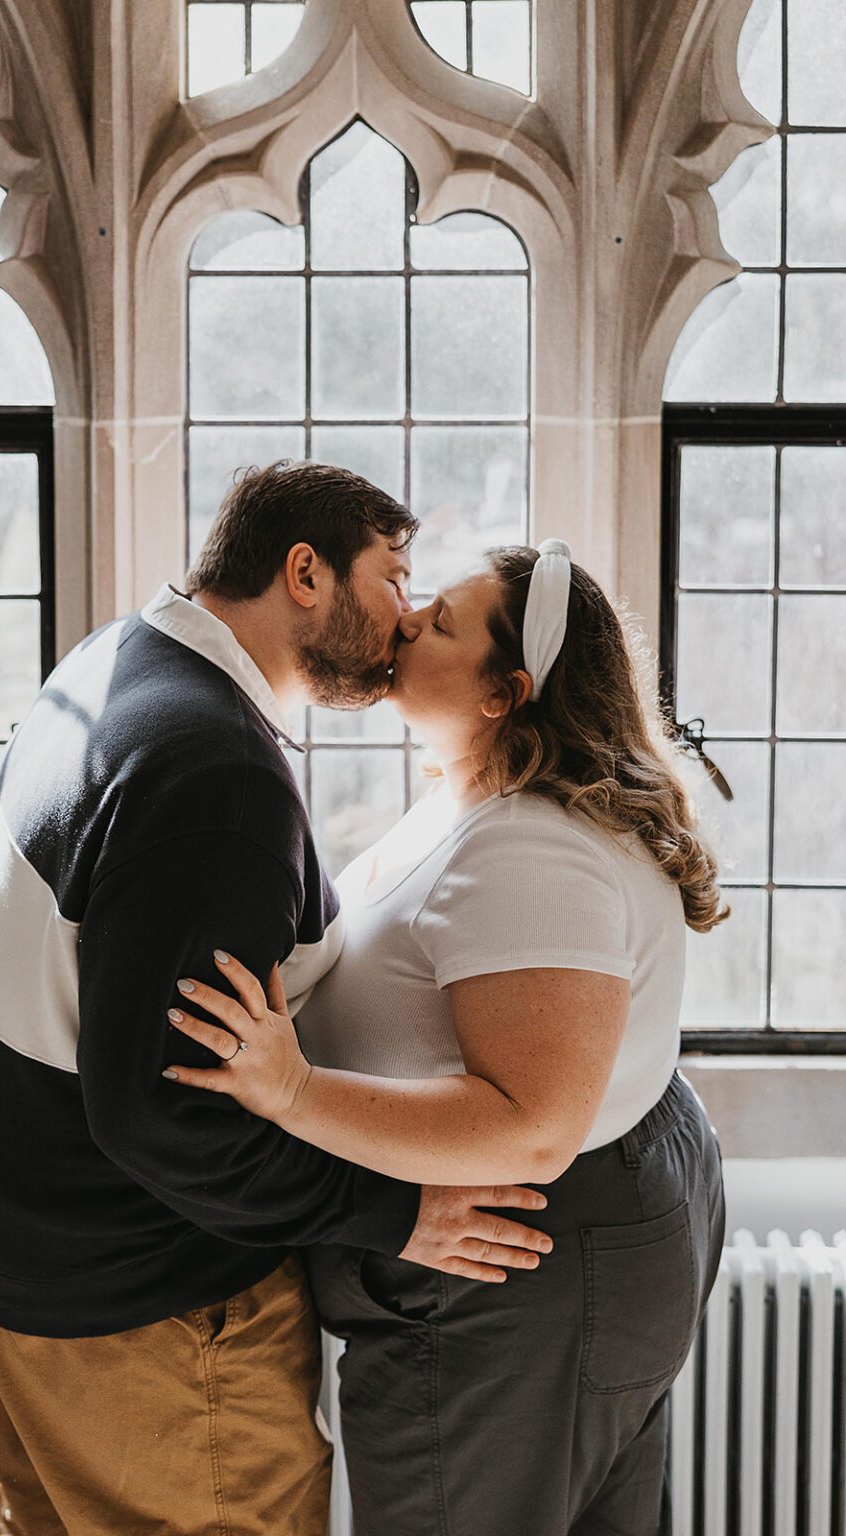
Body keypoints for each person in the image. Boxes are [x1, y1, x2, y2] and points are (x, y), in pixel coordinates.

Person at [0, 462, 552, 1536]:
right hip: (136, 1294)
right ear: (306, 572)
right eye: (395, 576)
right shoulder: (216, 771)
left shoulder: (120, 658)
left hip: (13, 1235)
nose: (402, 618)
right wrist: (396, 1212)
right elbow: (160, 1111)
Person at [161, 539, 728, 1536]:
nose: (409, 620)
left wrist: (290, 1090)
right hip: (568, 1238)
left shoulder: (533, 849)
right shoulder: (480, 791)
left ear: (503, 693)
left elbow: (535, 1125)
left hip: (520, 1259)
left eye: (444, 622)